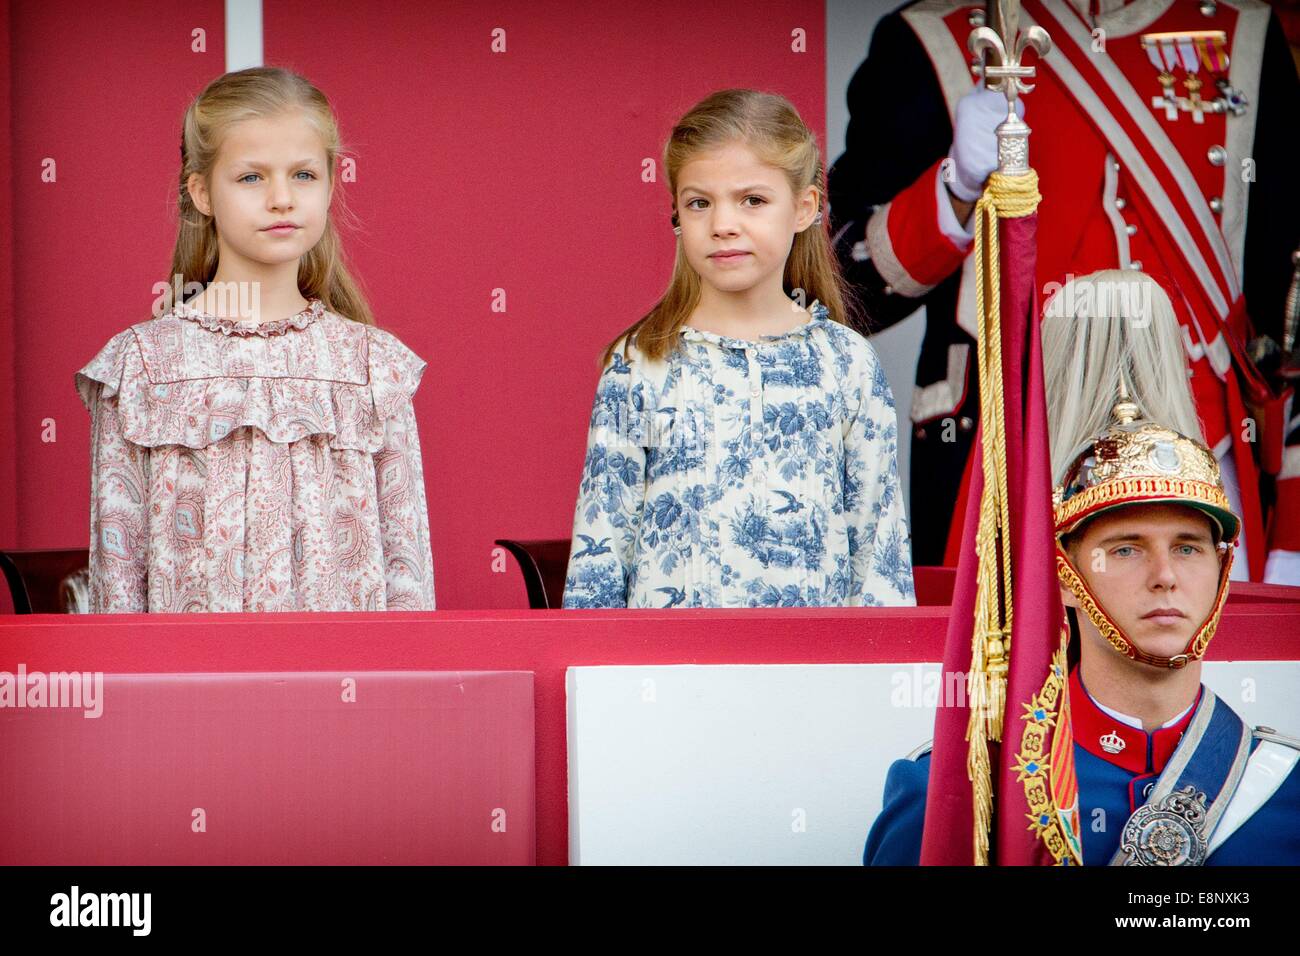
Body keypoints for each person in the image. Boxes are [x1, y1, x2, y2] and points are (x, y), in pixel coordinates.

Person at [828, 0, 1300, 580]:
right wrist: (952, 190)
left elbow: (1286, 278)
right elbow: (841, 286)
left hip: (1207, 440)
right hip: (1001, 444)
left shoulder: (1242, 31)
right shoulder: (934, 36)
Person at [863, 396, 1300, 865]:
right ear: (1065, 577)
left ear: (1222, 565)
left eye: (1188, 548)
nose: (1165, 575)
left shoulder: (1286, 789)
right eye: (1126, 550)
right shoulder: (956, 793)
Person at [74, 67, 435, 613]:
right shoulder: (140, 368)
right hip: (189, 690)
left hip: (344, 687)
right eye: (251, 178)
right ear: (202, 191)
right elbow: (116, 587)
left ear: (331, 183)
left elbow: (407, 577)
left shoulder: (372, 368)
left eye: (304, 175)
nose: (282, 199)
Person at [561, 90, 914, 609]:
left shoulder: (847, 364)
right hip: (668, 680)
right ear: (677, 216)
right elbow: (600, 557)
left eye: (752, 200)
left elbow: (879, 552)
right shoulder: (641, 364)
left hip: (813, 680)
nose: (723, 223)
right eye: (700, 202)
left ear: (804, 207)